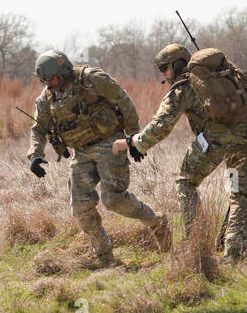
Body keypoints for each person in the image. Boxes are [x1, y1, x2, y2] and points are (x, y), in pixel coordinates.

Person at [112, 43, 247, 262]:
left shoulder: (183, 88)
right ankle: (234, 252)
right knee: (240, 194)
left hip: (212, 143)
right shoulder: (228, 74)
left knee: (186, 183)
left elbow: (160, 127)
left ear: (178, 64)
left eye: (165, 68)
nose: (163, 74)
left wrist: (131, 143)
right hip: (245, 140)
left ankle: (196, 242)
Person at [27, 50, 170, 261]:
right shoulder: (47, 98)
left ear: (64, 71)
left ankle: (156, 222)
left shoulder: (92, 79)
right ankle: (103, 253)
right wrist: (35, 154)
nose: (48, 84)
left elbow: (124, 102)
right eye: (44, 80)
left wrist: (133, 140)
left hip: (109, 143)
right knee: (80, 206)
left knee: (113, 199)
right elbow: (38, 129)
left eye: (51, 78)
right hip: (81, 151)